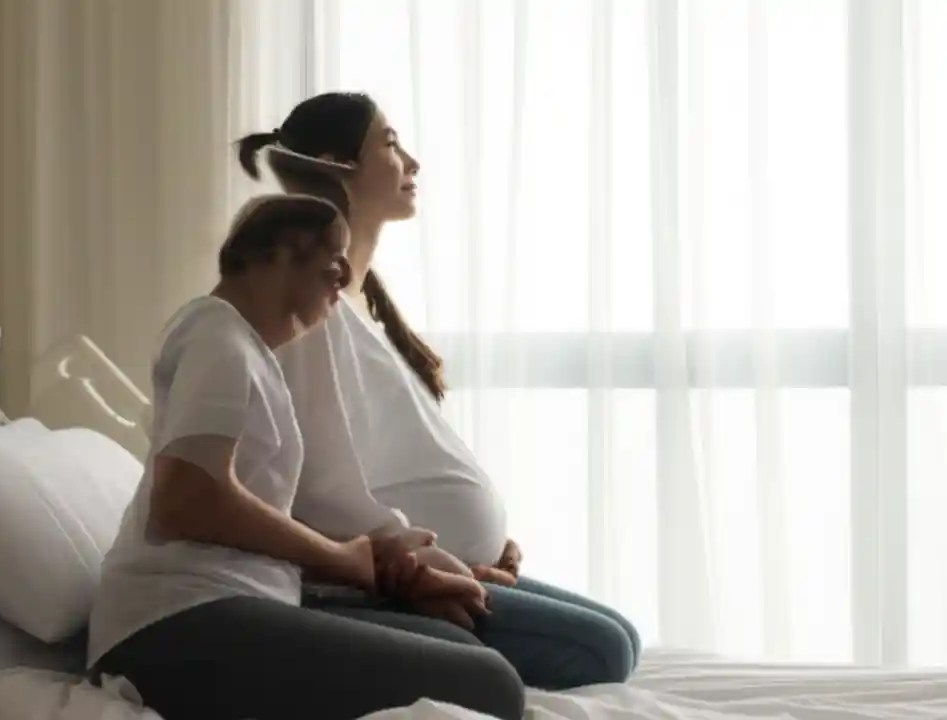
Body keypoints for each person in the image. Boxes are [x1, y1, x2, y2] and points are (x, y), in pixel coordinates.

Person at [237, 93, 642, 690]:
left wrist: (484, 542)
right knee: (601, 650)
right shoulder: (308, 315)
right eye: (391, 144)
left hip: (443, 561)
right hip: (377, 580)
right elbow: (314, 488)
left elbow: (389, 461)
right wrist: (431, 564)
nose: (413, 164)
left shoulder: (357, 308)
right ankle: (361, 623)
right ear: (336, 164)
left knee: (621, 634)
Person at [87, 194, 525, 720]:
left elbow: (232, 505)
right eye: (333, 261)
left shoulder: (242, 347)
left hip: (233, 604)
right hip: (170, 623)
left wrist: (377, 565)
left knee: (472, 656)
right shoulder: (217, 339)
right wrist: (344, 560)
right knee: (490, 683)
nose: (343, 281)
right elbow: (185, 499)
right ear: (288, 250)